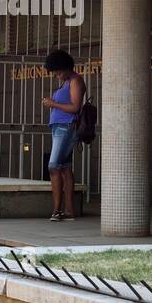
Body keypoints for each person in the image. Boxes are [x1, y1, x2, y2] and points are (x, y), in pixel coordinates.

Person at [41, 49, 85, 222]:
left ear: (66, 68)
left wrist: (52, 103)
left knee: (53, 166)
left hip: (66, 127)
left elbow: (75, 107)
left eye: (58, 72)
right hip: (59, 127)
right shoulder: (67, 81)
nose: (56, 75)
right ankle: (69, 211)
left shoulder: (76, 80)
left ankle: (57, 210)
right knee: (65, 167)